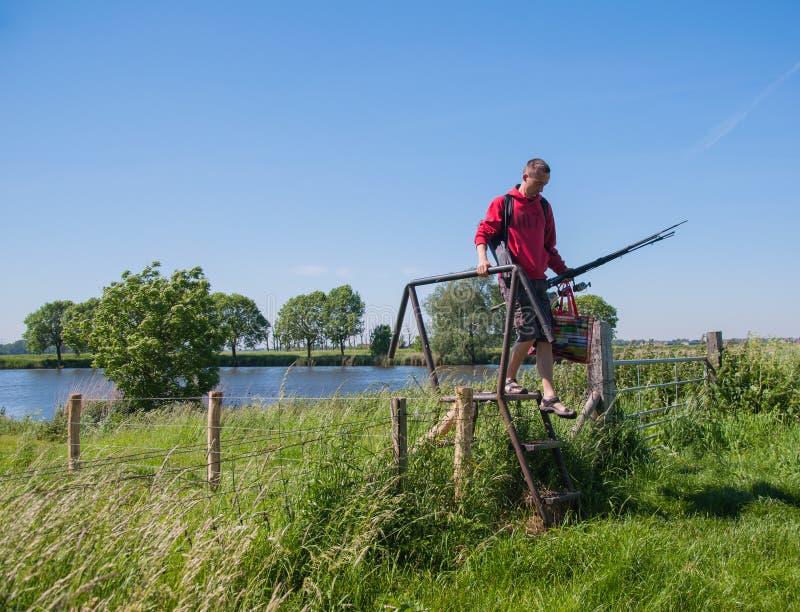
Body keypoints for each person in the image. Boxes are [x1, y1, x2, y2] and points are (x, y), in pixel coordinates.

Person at [474, 158, 576, 419]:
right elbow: (483, 232)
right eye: (538, 183)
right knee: (528, 331)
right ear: (525, 176)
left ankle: (549, 397)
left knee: (545, 336)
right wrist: (483, 259)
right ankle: (507, 379)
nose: (541, 189)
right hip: (514, 279)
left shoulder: (544, 207)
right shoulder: (503, 203)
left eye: (545, 185)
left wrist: (563, 272)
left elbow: (548, 248)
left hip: (539, 280)